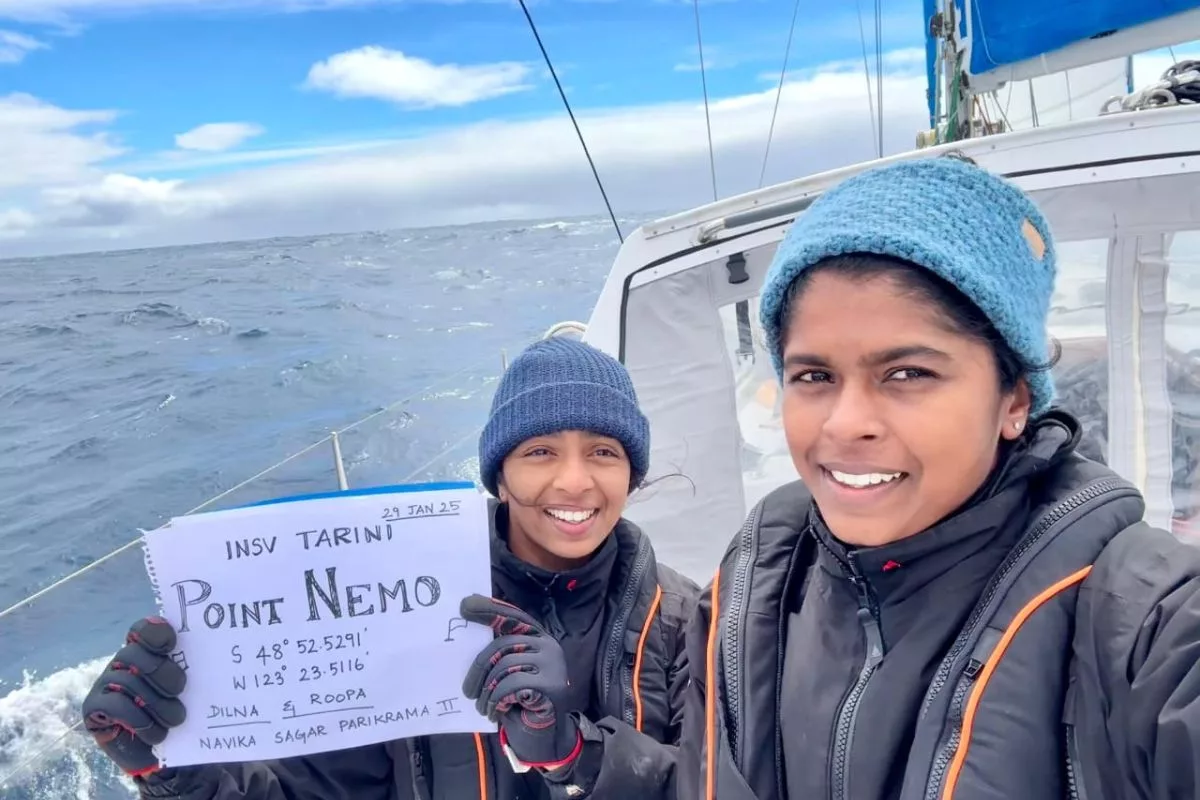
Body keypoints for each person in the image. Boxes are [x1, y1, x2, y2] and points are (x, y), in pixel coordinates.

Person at [677, 155, 1200, 800]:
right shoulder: (752, 586)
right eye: (814, 376)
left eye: (908, 374)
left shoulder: (1144, 619)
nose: (845, 424)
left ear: (1014, 400)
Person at [83, 336, 699, 800]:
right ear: (500, 476)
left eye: (603, 452)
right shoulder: (394, 600)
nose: (573, 480)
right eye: (539, 451)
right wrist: (170, 767)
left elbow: (713, 782)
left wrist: (576, 753)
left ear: (631, 474)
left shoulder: (686, 620)